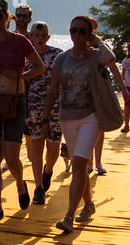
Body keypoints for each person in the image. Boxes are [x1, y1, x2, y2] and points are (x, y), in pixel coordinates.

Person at [0, 0, 43, 221]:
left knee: (11, 156)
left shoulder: (19, 41)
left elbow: (39, 67)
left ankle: (21, 184)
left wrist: (21, 75)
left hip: (15, 100)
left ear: (7, 17)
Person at [47, 15, 115, 232]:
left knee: (78, 165)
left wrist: (96, 41)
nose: (76, 35)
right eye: (73, 31)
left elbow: (111, 57)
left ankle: (68, 216)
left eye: (82, 32)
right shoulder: (62, 59)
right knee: (79, 167)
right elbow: (53, 89)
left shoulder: (95, 56)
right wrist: (45, 115)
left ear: (89, 34)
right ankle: (89, 204)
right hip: (67, 117)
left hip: (91, 117)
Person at [23, 20, 63, 205]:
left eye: (42, 35)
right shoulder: (24, 58)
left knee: (53, 147)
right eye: (36, 35)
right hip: (33, 107)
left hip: (55, 106)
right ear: (30, 37)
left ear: (48, 37)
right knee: (36, 148)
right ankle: (38, 188)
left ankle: (48, 170)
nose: (39, 38)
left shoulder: (57, 55)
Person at [85, 16, 125, 175]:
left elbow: (113, 65)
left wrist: (123, 87)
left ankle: (97, 161)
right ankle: (88, 162)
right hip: (85, 90)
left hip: (100, 88)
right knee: (87, 126)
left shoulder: (101, 47)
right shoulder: (79, 47)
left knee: (100, 126)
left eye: (92, 28)